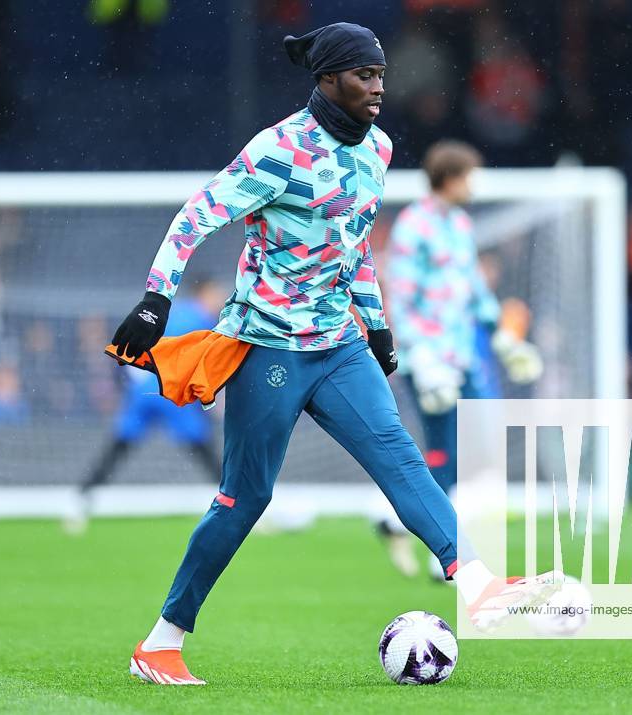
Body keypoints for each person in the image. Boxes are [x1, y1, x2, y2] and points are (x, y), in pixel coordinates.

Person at [107, 23, 558, 686]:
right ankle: (161, 641)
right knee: (245, 497)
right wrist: (156, 301)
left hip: (339, 343)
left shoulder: (377, 149)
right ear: (327, 80)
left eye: (380, 74)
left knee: (402, 455)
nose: (378, 87)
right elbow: (195, 214)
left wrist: (375, 327)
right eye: (363, 75)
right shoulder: (278, 152)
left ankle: (479, 584)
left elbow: (353, 247)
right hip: (270, 347)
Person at [382, 140, 542, 579]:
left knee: (470, 451)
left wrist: (504, 338)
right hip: (432, 361)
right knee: (443, 450)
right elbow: (402, 298)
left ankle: (400, 522)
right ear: (450, 178)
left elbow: (473, 289)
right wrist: (421, 355)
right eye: (469, 176)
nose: (475, 185)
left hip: (464, 356)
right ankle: (444, 550)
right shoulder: (414, 226)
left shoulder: (460, 225)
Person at [65, 279, 226, 534]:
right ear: (204, 293)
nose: (218, 298)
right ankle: (236, 504)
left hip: (145, 389)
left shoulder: (170, 310)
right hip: (172, 393)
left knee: (119, 447)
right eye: (215, 293)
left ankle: (81, 500)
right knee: (205, 450)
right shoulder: (204, 318)